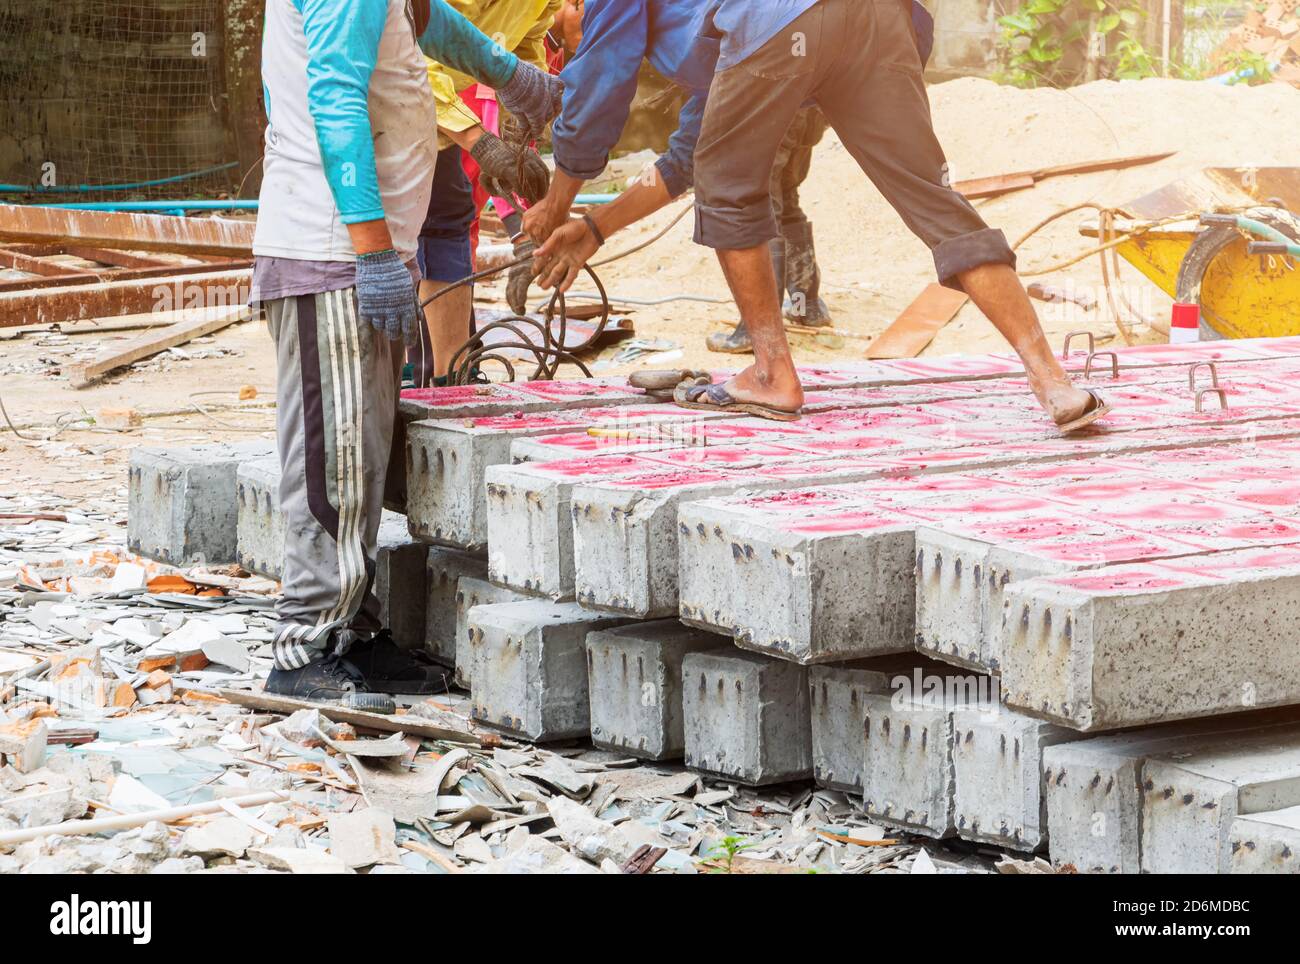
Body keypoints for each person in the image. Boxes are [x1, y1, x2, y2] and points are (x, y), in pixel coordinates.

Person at [526, 0, 1109, 430]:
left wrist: (557, 202)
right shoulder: (709, 29)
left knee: (730, 191)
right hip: (878, 19)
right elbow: (687, 157)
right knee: (934, 198)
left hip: (784, 24)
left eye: (560, 12)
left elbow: (598, 86)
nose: (560, 19)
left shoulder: (609, 8)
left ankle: (772, 373)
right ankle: (1053, 382)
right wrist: (596, 228)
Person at [251, 0, 562, 702]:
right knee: (332, 464)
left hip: (358, 250)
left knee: (358, 463)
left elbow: (421, 17)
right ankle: (304, 648)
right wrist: (370, 249)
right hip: (330, 249)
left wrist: (509, 74)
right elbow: (334, 92)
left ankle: (351, 634)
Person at [407, 0, 572, 387]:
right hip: (379, 103)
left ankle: (452, 380)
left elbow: (528, 37)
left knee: (448, 220)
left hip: (439, 117)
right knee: (390, 237)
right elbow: (405, 54)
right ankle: (395, 373)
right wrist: (478, 141)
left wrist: (522, 95)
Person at [709, 105, 830, 353]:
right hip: (810, 109)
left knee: (766, 205)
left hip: (776, 106)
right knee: (787, 197)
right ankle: (805, 306)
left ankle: (758, 331)